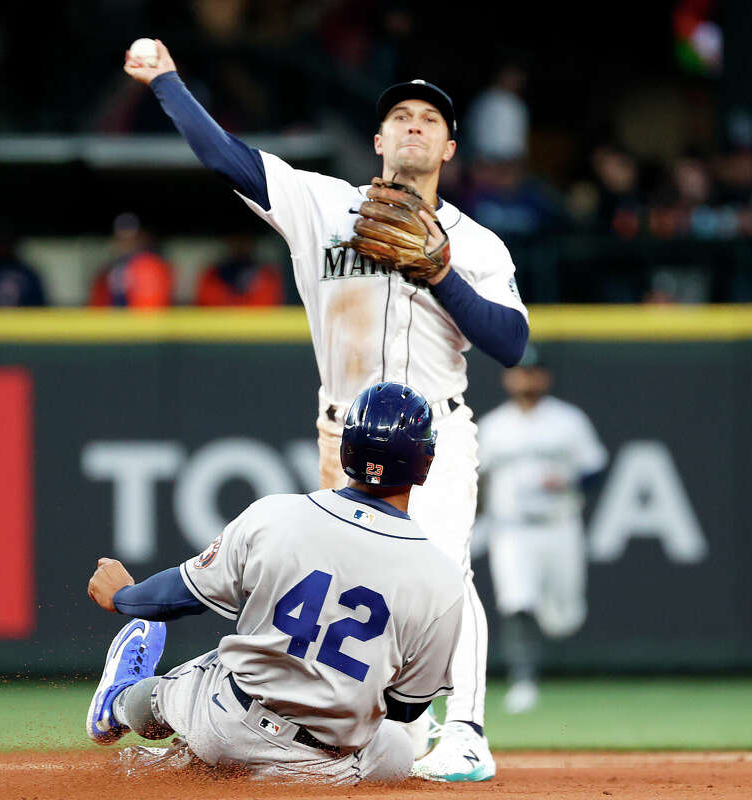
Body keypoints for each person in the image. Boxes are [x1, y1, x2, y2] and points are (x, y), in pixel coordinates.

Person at [124, 40, 529, 782]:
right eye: (399, 117)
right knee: (317, 585)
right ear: (377, 141)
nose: (413, 126)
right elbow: (228, 162)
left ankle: (466, 729)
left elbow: (511, 342)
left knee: (441, 567)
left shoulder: (476, 245)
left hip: (432, 433)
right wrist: (166, 83)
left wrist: (441, 273)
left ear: (449, 146)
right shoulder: (326, 207)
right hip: (340, 432)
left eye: (428, 119)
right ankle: (231, 713)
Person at [86, 382, 465, 784]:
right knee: (398, 746)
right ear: (424, 463)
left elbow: (182, 596)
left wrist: (122, 597)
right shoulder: (441, 579)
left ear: (347, 450)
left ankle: (119, 704)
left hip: (225, 721)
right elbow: (405, 708)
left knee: (205, 671)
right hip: (322, 767)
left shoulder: (275, 515)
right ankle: (227, 764)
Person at [474, 345, 607, 714]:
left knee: (563, 617)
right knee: (517, 602)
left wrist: (567, 480)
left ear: (544, 377)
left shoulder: (568, 421)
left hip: (559, 526)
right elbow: (476, 481)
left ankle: (550, 620)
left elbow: (595, 469)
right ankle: (524, 680)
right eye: (520, 371)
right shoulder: (493, 426)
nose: (526, 378)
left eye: (533, 371)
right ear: (507, 378)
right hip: (512, 530)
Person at [88, 213, 173, 308]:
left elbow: (154, 302)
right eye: (121, 238)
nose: (126, 242)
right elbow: (99, 302)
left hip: (142, 316)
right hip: (115, 316)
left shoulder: (151, 265)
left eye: (131, 238)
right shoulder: (108, 270)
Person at [193, 234, 284, 306]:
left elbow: (264, 308)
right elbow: (207, 305)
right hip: (219, 327)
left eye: (245, 239)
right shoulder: (213, 274)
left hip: (255, 327)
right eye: (236, 239)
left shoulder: (266, 274)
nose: (240, 243)